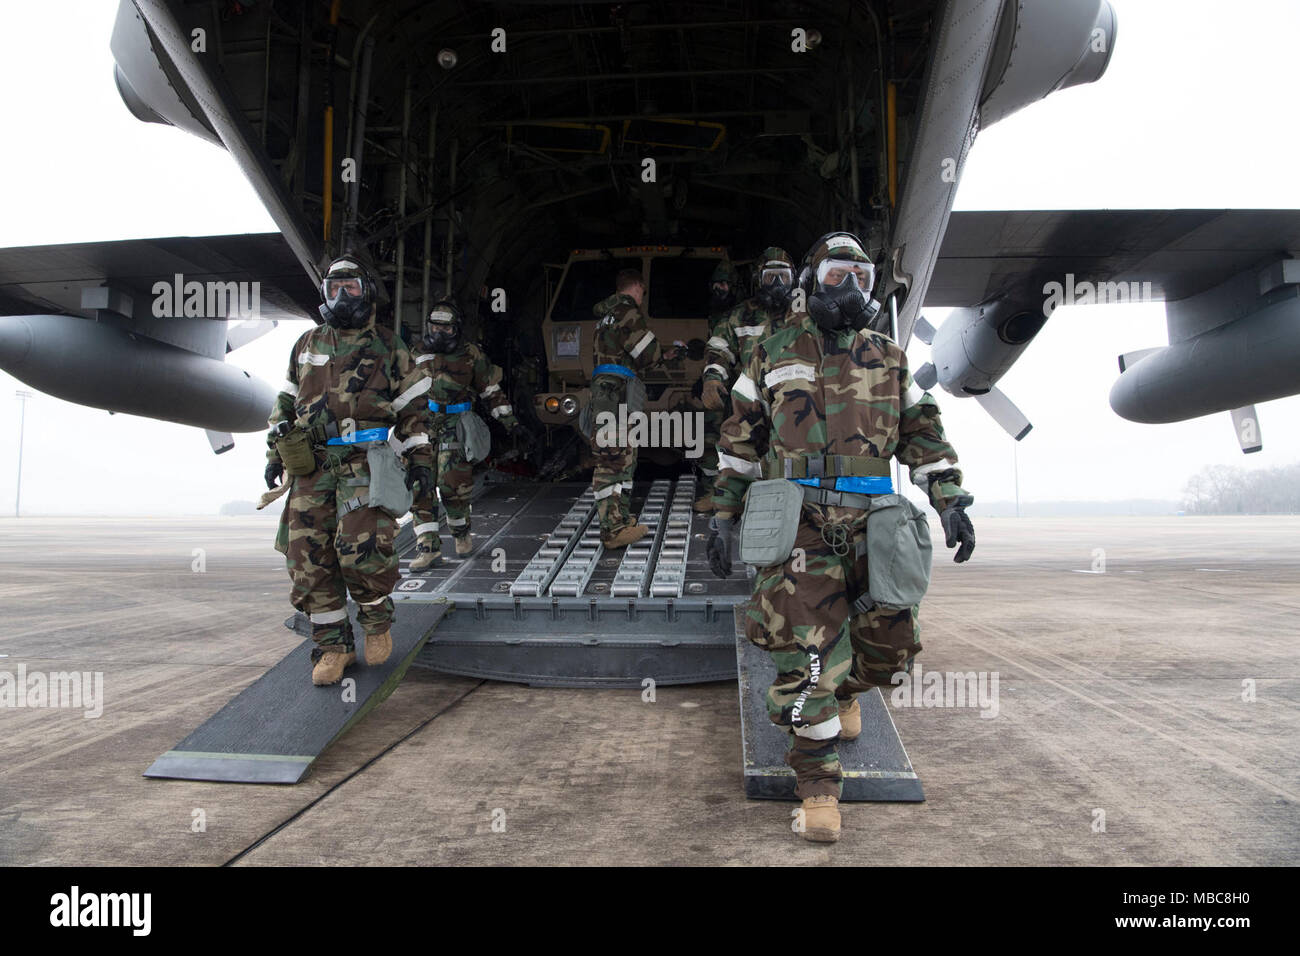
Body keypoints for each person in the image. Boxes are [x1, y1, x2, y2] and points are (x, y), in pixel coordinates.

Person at [706, 232, 976, 842]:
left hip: (874, 522)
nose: (850, 287)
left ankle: (848, 690)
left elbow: (923, 433)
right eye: (836, 275)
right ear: (810, 279)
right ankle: (819, 788)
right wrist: (721, 515)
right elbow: (739, 444)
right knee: (807, 659)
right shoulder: (772, 352)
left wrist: (950, 500)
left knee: (890, 651)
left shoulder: (891, 357)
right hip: (799, 524)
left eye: (861, 275)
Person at [264, 255, 434, 685]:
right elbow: (284, 404)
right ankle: (334, 648)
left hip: (365, 463)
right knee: (307, 561)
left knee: (361, 552)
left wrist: (420, 461)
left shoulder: (388, 346)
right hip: (311, 466)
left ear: (367, 291)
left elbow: (414, 412)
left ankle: (377, 623)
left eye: (351, 287)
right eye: (334, 287)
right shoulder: (306, 344)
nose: (342, 296)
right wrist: (273, 454)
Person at [408, 297, 534, 570]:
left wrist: (512, 424)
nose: (439, 334)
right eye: (435, 328)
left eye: (446, 329)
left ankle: (461, 532)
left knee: (452, 486)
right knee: (420, 486)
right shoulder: (417, 352)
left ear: (457, 329)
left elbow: (491, 391)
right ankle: (427, 548)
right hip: (424, 424)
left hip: (457, 424)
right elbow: (400, 391)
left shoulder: (471, 355)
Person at [700, 247, 796, 515]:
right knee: (733, 444)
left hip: (791, 397)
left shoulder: (804, 315)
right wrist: (711, 378)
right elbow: (719, 349)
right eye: (770, 277)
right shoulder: (740, 315)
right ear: (758, 279)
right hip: (749, 398)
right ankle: (723, 494)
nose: (777, 284)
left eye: (783, 277)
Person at [589, 267, 677, 548]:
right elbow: (647, 355)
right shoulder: (627, 311)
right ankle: (612, 530)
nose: (642, 297)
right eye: (643, 291)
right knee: (612, 459)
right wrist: (665, 354)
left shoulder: (605, 316)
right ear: (636, 287)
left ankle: (620, 521)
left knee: (622, 457)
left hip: (610, 391)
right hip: (615, 392)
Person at [693, 260, 740, 511]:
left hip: (742, 387)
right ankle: (713, 491)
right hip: (718, 385)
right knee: (710, 437)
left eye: (724, 284)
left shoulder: (742, 314)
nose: (719, 289)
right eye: (716, 284)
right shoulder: (716, 314)